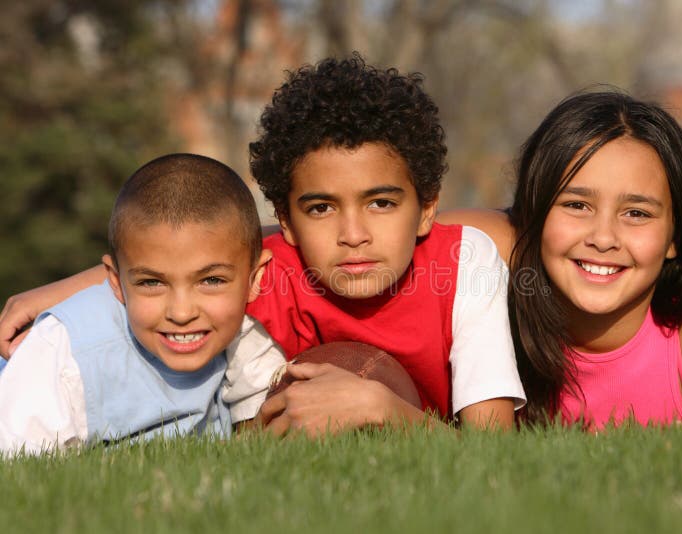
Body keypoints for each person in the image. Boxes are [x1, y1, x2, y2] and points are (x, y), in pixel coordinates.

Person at [0, 55, 525, 436]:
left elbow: (492, 449)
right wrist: (57, 294)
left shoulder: (465, 266)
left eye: (381, 203)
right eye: (320, 208)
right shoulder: (269, 270)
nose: (353, 234)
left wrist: (381, 409)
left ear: (427, 207)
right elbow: (181, 260)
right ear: (287, 221)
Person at [440, 91, 682, 429]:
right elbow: (407, 232)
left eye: (637, 213)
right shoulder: (490, 249)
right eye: (577, 205)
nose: (603, 238)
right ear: (536, 214)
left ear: (675, 236)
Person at [0, 154, 282, 454]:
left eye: (211, 280)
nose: (182, 313)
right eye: (151, 283)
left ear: (255, 279)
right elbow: (16, 463)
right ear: (116, 280)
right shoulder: (69, 351)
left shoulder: (251, 336)